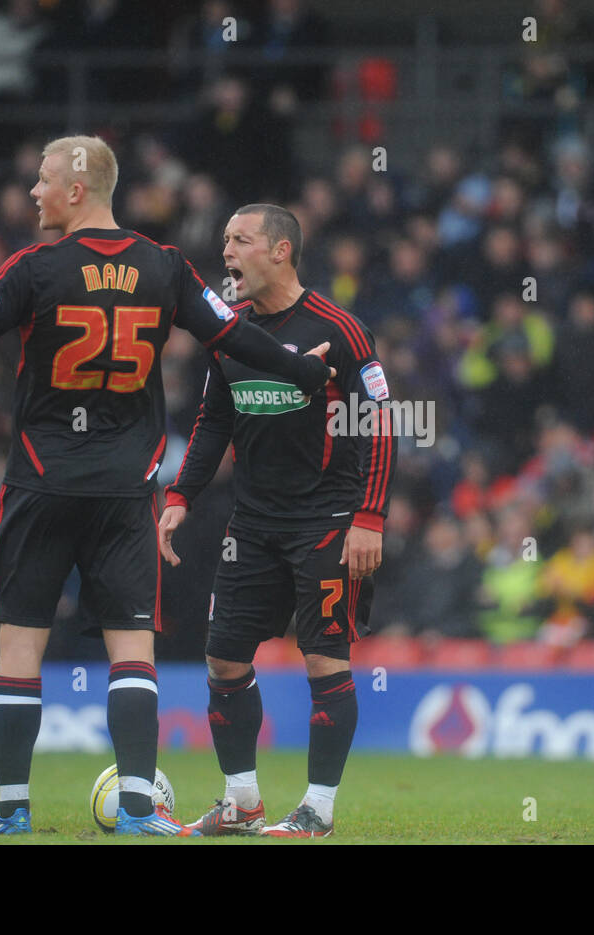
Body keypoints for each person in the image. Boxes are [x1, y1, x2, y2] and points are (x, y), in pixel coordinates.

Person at [0, 136, 332, 836]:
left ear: (77, 188)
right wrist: (305, 371)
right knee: (131, 651)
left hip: (40, 485)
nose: (33, 193)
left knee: (20, 649)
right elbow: (234, 337)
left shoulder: (35, 270)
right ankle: (139, 807)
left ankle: (12, 809)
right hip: (125, 491)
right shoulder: (164, 268)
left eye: (43, 180)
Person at [158, 203, 395, 837]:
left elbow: (380, 422)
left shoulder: (340, 328)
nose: (226, 250)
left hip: (327, 520)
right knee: (223, 660)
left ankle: (317, 809)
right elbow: (214, 420)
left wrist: (369, 516)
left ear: (280, 251)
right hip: (252, 525)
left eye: (240, 240)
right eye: (224, 238)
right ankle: (242, 802)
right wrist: (181, 494)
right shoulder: (228, 330)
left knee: (324, 660)